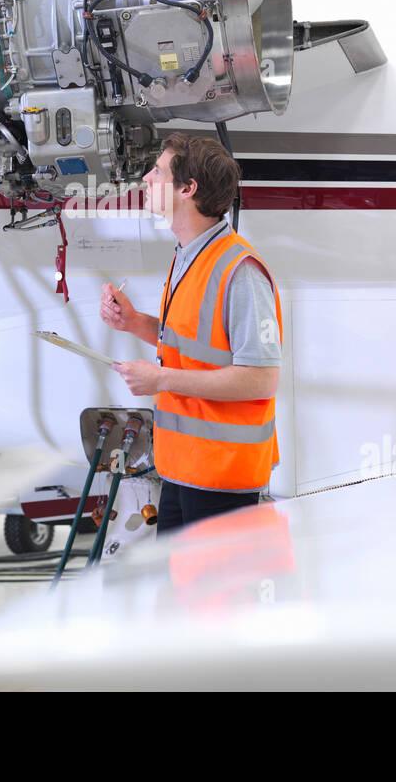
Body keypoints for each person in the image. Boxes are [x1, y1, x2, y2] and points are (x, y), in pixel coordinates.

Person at [100, 132, 282, 534]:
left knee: (212, 596)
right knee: (181, 593)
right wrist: (133, 321)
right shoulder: (189, 255)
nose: (146, 178)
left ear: (188, 188)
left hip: (221, 477)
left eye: (158, 171)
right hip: (183, 469)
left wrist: (160, 379)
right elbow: (192, 346)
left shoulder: (240, 271)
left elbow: (261, 378)